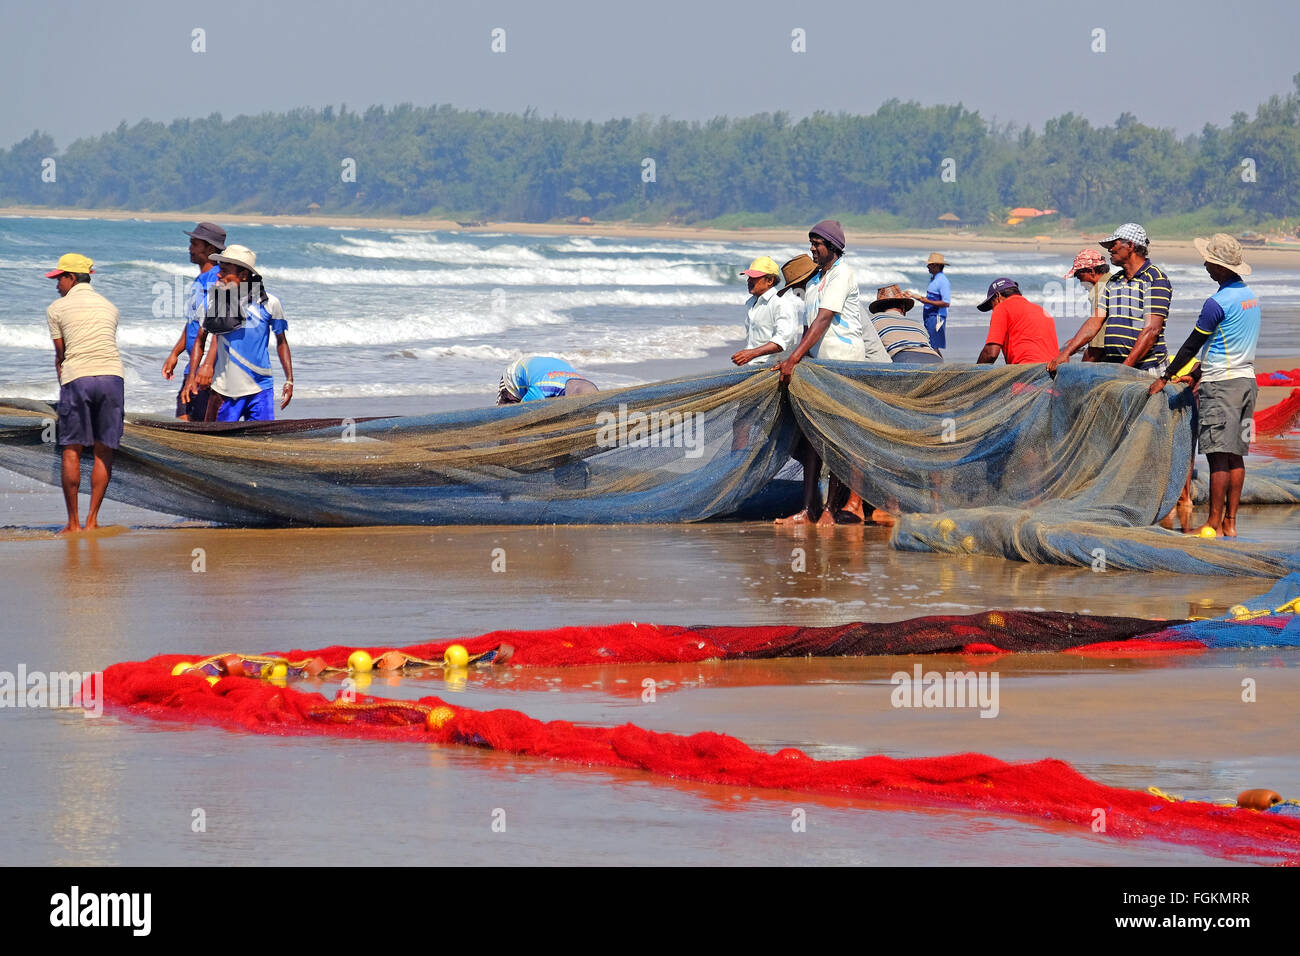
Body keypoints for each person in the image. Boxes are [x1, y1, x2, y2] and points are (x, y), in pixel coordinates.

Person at [1148, 234, 1261, 538]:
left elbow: (1192, 345)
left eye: (1210, 262)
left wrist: (1165, 377)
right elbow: (1226, 344)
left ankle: (1212, 523)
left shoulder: (1216, 303)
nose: (1206, 265)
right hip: (1247, 383)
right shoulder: (1250, 296)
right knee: (1236, 454)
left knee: (1216, 455)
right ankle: (1230, 523)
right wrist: (1196, 375)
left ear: (1221, 267)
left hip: (1222, 388)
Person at [776, 220, 887, 526]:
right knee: (814, 437)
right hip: (819, 369)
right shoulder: (815, 283)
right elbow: (809, 327)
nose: (812, 248)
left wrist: (794, 358)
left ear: (833, 247)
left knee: (839, 437)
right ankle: (810, 508)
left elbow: (825, 319)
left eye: (818, 243)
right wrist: (792, 358)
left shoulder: (842, 274)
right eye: (811, 242)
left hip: (842, 366)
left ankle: (830, 510)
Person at [44, 254, 124, 534]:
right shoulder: (110, 307)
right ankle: (92, 521)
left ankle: (73, 523)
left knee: (72, 448)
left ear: (71, 278)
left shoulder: (57, 308)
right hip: (113, 378)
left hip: (78, 378)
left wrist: (64, 388)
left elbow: (61, 356)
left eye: (59, 279)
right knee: (104, 449)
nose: (56, 286)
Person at [184, 245, 293, 421]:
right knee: (216, 445)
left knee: (261, 443)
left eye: (225, 271)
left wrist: (289, 379)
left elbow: (281, 341)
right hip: (224, 390)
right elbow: (200, 340)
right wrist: (191, 377)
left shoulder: (269, 303)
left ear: (243, 275)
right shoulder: (212, 303)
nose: (219, 274)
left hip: (261, 389)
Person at [1049, 223, 1171, 376]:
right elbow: (1095, 322)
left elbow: (1152, 330)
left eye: (1114, 244)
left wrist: (1125, 368)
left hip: (1146, 369)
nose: (1110, 250)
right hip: (1117, 368)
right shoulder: (1114, 281)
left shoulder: (1155, 279)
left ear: (1130, 246)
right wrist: (1065, 353)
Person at [162, 222, 225, 420]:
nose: (190, 248)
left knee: (197, 426)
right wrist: (175, 353)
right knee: (183, 417)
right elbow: (193, 323)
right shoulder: (199, 280)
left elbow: (217, 327)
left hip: (207, 371)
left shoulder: (216, 278)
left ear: (211, 248)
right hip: (193, 367)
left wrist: (207, 365)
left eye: (194, 244)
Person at [731, 256, 799, 367]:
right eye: (749, 277)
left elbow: (782, 341)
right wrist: (748, 355)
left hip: (773, 366)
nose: (749, 281)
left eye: (754, 277)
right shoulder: (751, 303)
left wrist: (752, 354)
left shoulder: (781, 303)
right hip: (752, 365)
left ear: (770, 280)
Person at [975, 278, 1060, 365]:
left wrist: (974, 375)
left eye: (991, 305)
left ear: (998, 296)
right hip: (1053, 371)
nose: (993, 310)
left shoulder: (1002, 308)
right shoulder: (1042, 311)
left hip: (1027, 371)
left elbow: (991, 353)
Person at [867, 285, 942, 363]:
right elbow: (934, 347)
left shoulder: (874, 319)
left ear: (879, 309)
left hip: (905, 358)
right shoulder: (917, 323)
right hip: (935, 359)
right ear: (903, 308)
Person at [1063, 248, 1111, 362]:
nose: (1080, 283)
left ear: (1091, 271)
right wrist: (1077, 342)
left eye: (1080, 277)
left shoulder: (1100, 292)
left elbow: (1096, 348)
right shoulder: (1114, 281)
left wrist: (1081, 372)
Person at [497, 356, 597, 404]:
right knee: (510, 425)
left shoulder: (585, 385)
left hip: (542, 369)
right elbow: (521, 411)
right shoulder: (542, 390)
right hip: (514, 378)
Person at [908, 253, 950, 354]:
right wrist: (913, 295)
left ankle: (939, 366)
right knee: (930, 343)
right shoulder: (934, 279)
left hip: (937, 317)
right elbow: (931, 298)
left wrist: (924, 300)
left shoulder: (943, 281)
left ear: (936, 265)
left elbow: (946, 302)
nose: (927, 267)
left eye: (929, 265)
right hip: (929, 316)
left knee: (932, 345)